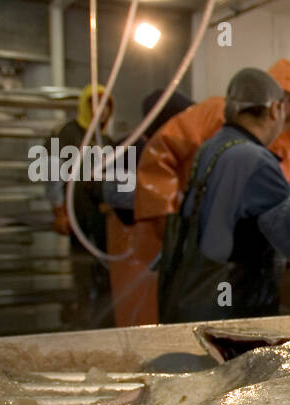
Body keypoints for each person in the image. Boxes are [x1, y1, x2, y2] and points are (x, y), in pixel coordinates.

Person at [132, 59, 290, 324]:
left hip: (191, 303)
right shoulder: (256, 161)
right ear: (274, 109)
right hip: (232, 316)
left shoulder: (212, 147)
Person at [105, 89, 193, 326]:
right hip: (132, 250)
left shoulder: (173, 150)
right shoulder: (127, 149)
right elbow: (113, 193)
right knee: (136, 321)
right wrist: (162, 198)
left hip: (161, 249)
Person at [48, 83, 115, 329]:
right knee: (82, 272)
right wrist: (59, 210)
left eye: (107, 105)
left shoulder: (105, 140)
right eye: (96, 104)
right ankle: (83, 322)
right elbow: (52, 172)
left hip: (101, 217)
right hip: (76, 213)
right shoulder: (67, 134)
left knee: (105, 272)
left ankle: (104, 324)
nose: (103, 111)